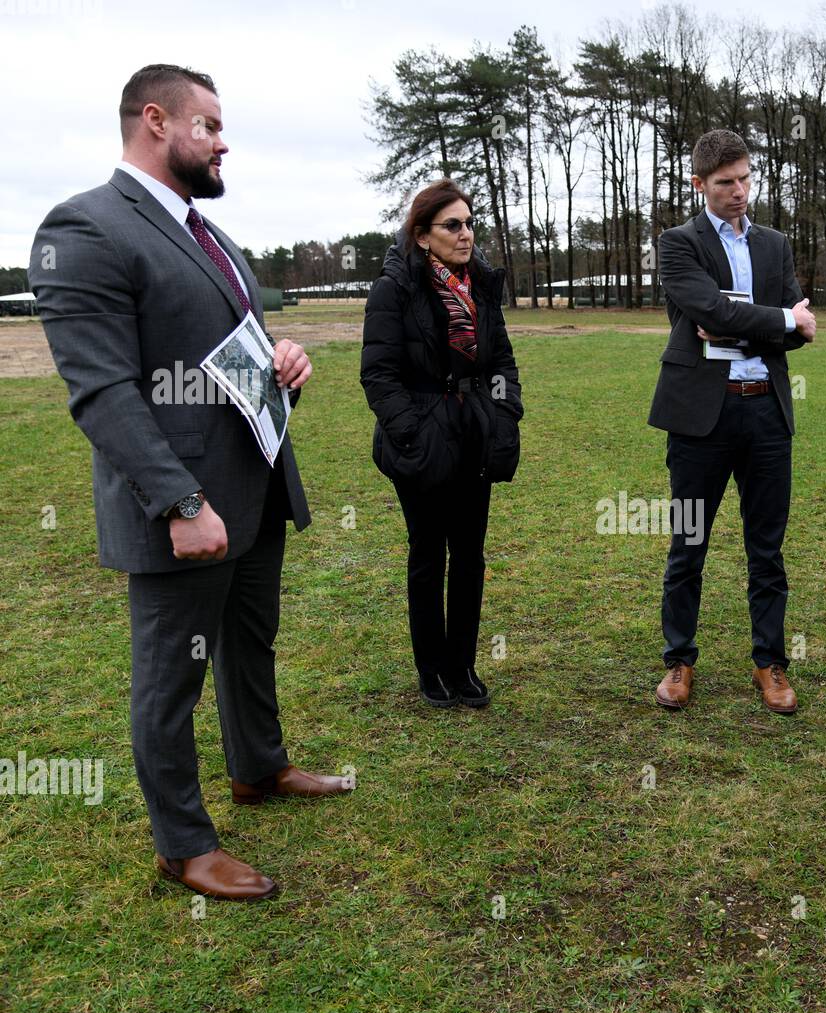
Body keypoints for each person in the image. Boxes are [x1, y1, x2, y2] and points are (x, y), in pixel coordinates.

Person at [28, 64, 350, 902]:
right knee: (172, 677)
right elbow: (102, 391)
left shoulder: (212, 236)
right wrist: (178, 499)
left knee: (251, 643)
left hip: (255, 489)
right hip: (184, 510)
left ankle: (258, 767)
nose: (222, 139)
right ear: (155, 121)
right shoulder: (88, 227)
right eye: (208, 124)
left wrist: (287, 365)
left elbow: (239, 353)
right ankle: (182, 844)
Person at [650, 129, 815, 714]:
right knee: (688, 540)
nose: (740, 191)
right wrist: (776, 322)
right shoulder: (678, 243)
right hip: (700, 415)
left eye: (746, 178)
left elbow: (797, 333)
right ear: (700, 185)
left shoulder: (774, 245)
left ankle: (770, 663)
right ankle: (679, 662)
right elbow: (709, 310)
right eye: (726, 183)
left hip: (766, 409)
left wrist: (751, 327)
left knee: (766, 547)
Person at [360, 180, 523, 708]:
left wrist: (503, 415)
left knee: (470, 556)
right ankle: (431, 669)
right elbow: (379, 375)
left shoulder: (480, 286)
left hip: (475, 434)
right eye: (453, 225)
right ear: (423, 234)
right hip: (423, 442)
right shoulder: (395, 288)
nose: (466, 233)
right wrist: (412, 432)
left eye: (470, 222)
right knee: (428, 555)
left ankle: (463, 665)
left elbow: (501, 363)